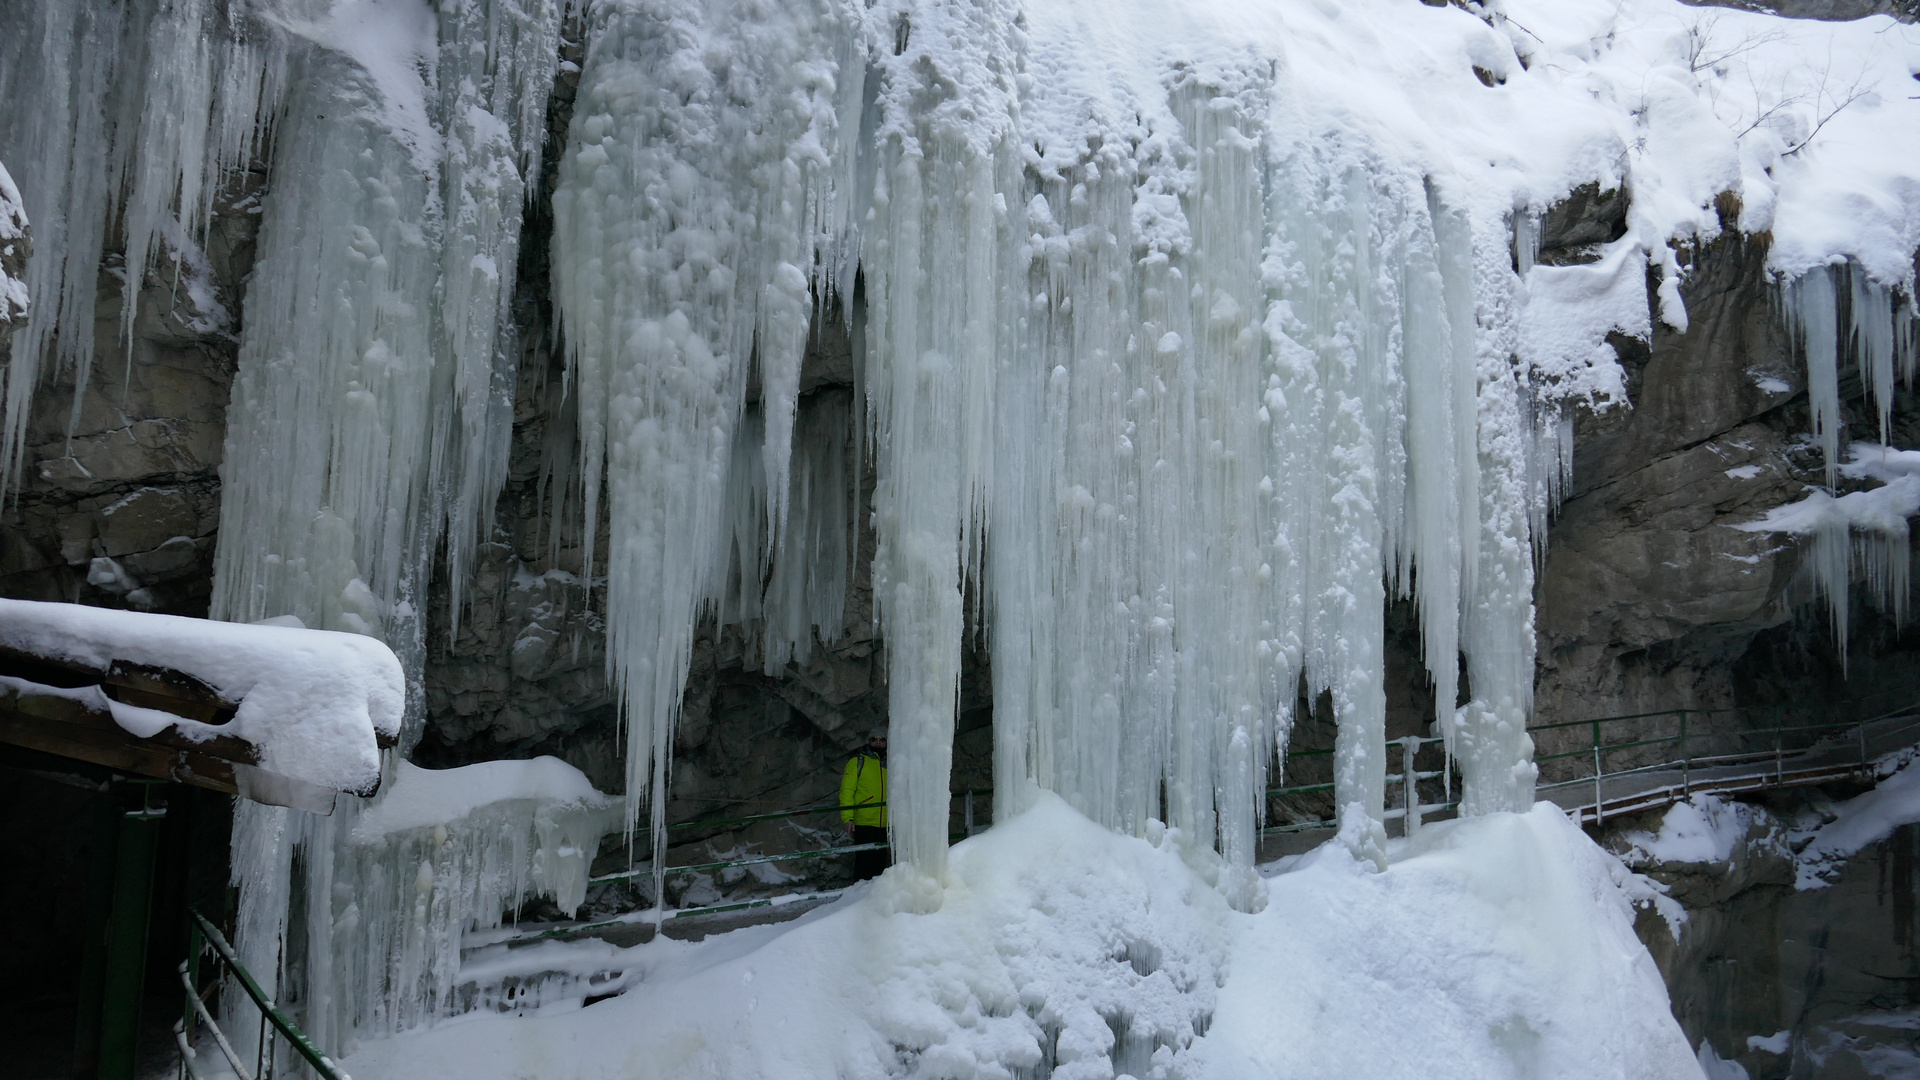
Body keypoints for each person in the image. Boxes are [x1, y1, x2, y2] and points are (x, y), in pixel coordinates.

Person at [840, 729, 889, 880]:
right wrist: (847, 817)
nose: (878, 742)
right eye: (874, 738)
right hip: (864, 822)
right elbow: (847, 790)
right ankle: (859, 898)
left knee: (881, 864)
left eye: (882, 739)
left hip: (885, 823)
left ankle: (876, 899)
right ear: (868, 741)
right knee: (864, 864)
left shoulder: (891, 762)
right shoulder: (857, 761)